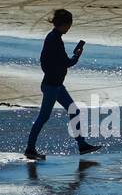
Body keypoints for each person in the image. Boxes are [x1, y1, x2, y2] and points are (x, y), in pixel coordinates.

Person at [25, 9, 102, 160]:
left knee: (74, 111)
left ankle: (82, 145)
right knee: (43, 117)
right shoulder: (54, 40)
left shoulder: (53, 37)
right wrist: (77, 55)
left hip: (55, 85)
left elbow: (46, 61)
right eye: (69, 24)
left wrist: (53, 72)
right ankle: (30, 149)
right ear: (63, 24)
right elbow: (67, 62)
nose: (69, 27)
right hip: (52, 86)